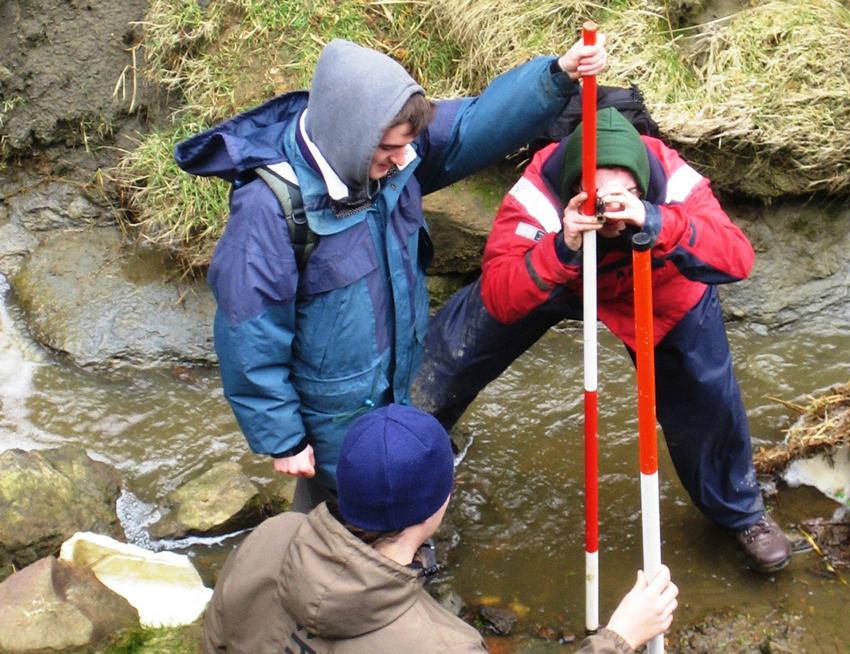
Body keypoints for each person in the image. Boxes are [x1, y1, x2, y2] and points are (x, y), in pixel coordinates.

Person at [174, 36, 607, 511]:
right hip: (333, 417)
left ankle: (398, 565)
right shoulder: (269, 208)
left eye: (407, 146)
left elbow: (472, 126)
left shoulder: (392, 153)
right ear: (351, 137)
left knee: (392, 508)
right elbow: (249, 330)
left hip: (395, 385)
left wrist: (556, 76)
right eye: (390, 149)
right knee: (336, 519)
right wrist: (282, 438)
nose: (404, 160)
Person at [413, 107, 793, 572]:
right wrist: (560, 246)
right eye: (598, 196)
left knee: (706, 394)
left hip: (656, 283)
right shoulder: (538, 196)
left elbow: (736, 258)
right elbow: (499, 295)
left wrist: (656, 220)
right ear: (573, 189)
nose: (612, 208)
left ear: (643, 180)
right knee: (450, 353)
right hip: (560, 270)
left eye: (626, 192)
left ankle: (741, 512)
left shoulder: (672, 180)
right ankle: (404, 486)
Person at [203, 404, 679, 653]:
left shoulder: (271, 537)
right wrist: (618, 636)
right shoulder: (444, 644)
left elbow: (217, 641)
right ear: (437, 507)